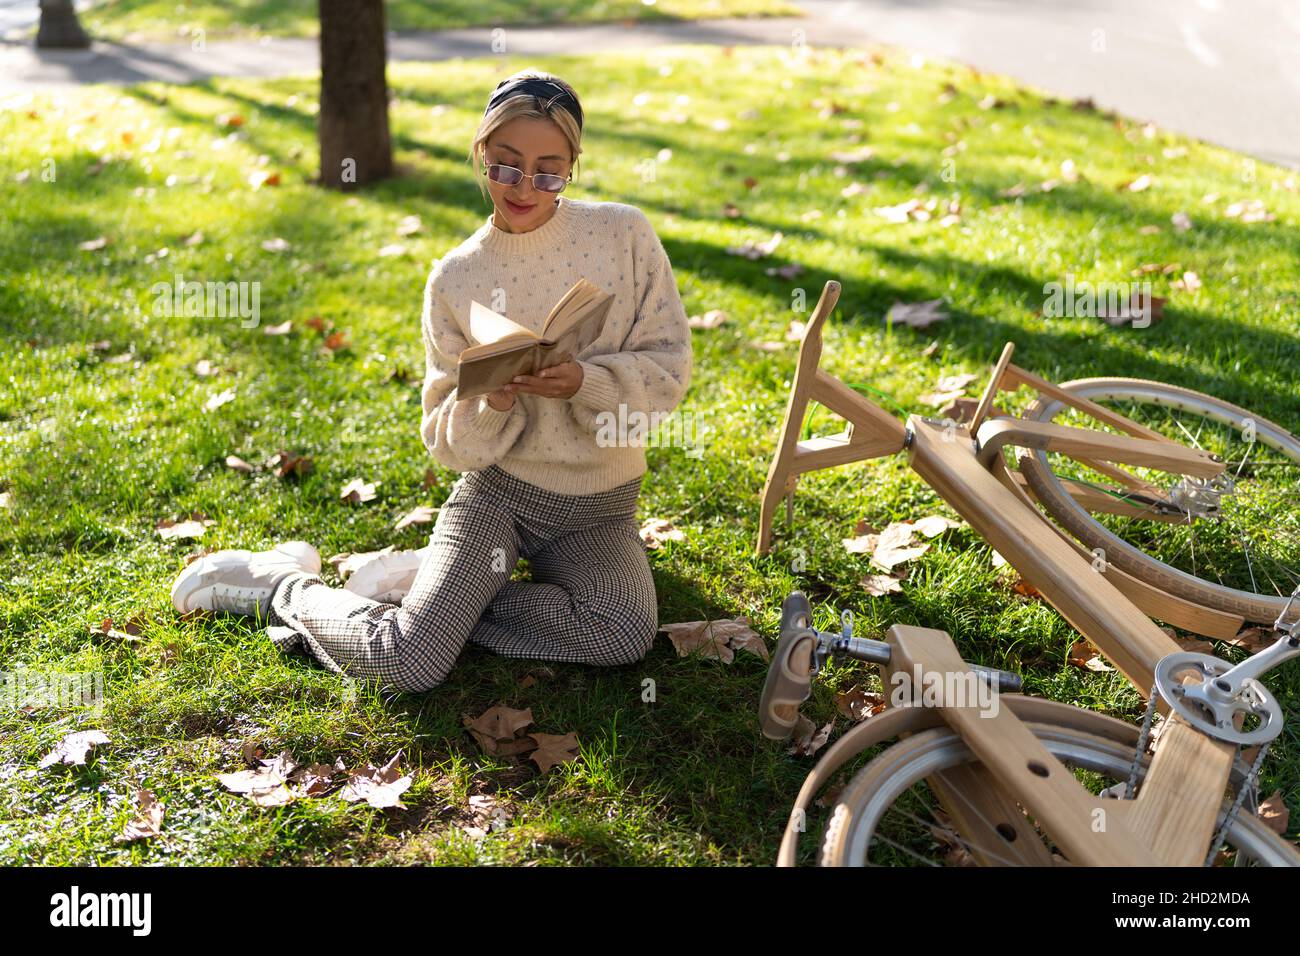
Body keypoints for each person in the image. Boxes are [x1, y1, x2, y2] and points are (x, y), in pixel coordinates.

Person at [170, 70, 694, 693]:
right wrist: (492, 403)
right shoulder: (456, 278)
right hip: (500, 498)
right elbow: (448, 444)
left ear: (573, 167)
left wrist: (587, 381)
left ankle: (438, 596)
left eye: (549, 171)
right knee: (412, 663)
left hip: (599, 509)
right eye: (505, 166)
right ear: (480, 153)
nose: (525, 187)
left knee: (621, 634)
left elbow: (668, 368)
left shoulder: (623, 234)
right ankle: (287, 585)